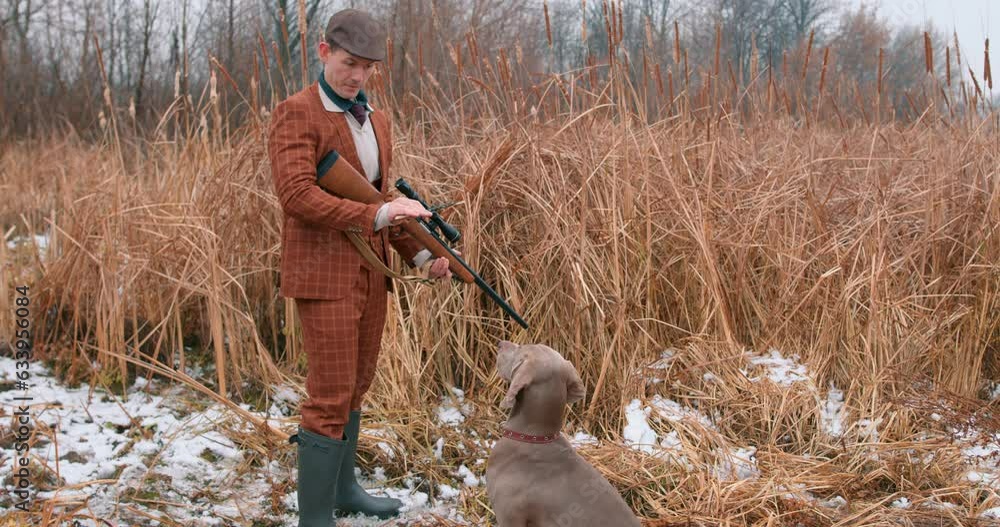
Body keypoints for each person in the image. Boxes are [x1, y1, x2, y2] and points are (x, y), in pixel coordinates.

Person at [267, 8, 451, 526]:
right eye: (349, 63)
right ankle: (315, 518)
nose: (357, 76)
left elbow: (379, 200)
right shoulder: (296, 112)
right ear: (324, 52)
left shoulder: (376, 120)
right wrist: (379, 212)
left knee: (356, 386)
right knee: (328, 396)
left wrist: (420, 255)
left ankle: (344, 490)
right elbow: (297, 196)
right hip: (324, 279)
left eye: (367, 67)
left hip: (372, 275)